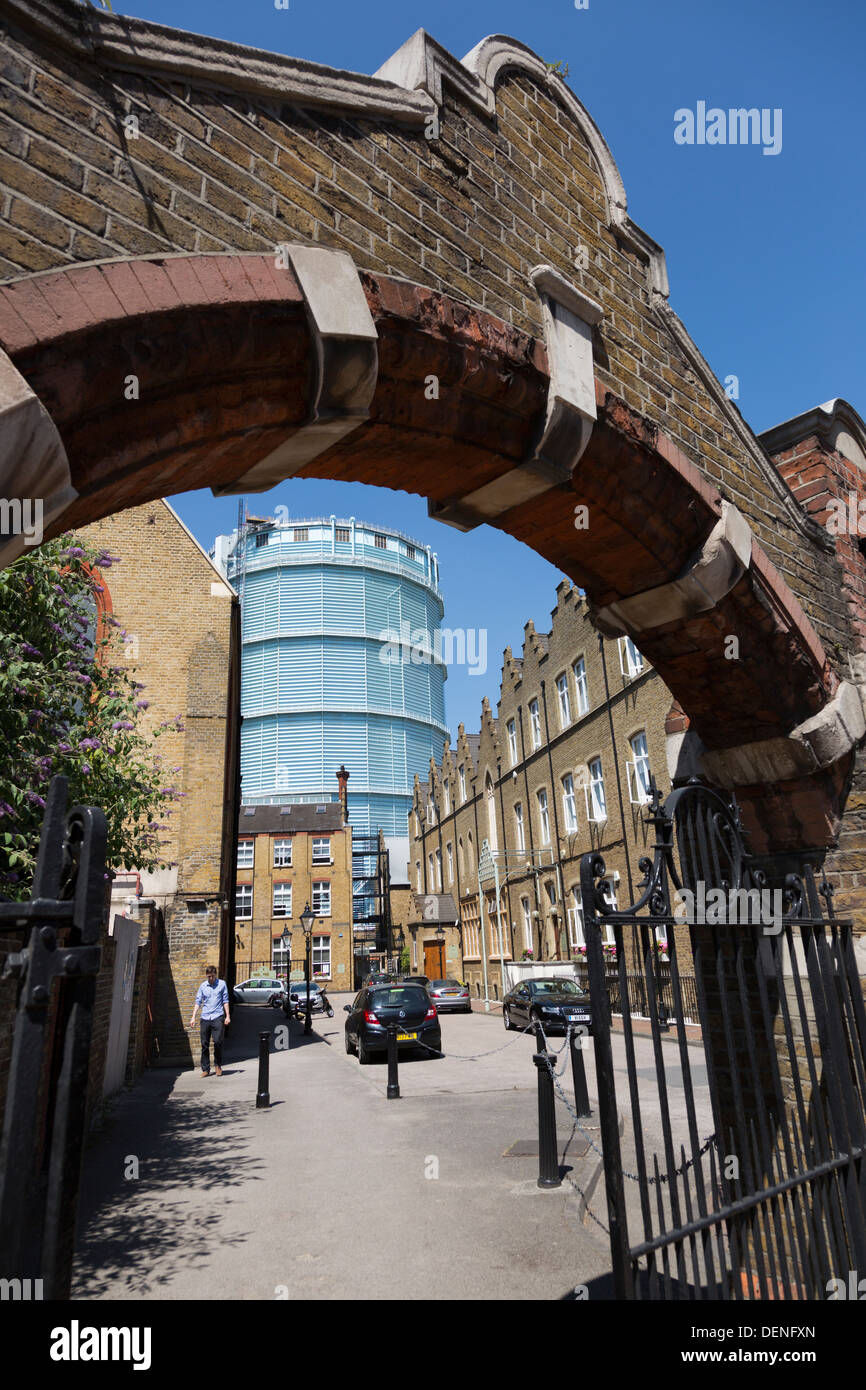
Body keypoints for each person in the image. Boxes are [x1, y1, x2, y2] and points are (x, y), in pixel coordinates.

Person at [190, 965, 230, 1077]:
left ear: (215, 974)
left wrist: (228, 1016)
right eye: (208, 977)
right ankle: (206, 1069)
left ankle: (218, 1065)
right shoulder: (203, 986)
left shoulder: (222, 984)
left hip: (218, 1016)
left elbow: (225, 1000)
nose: (210, 979)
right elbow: (198, 1002)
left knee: (217, 1042)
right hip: (205, 1017)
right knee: (204, 1044)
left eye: (212, 976)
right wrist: (193, 1016)